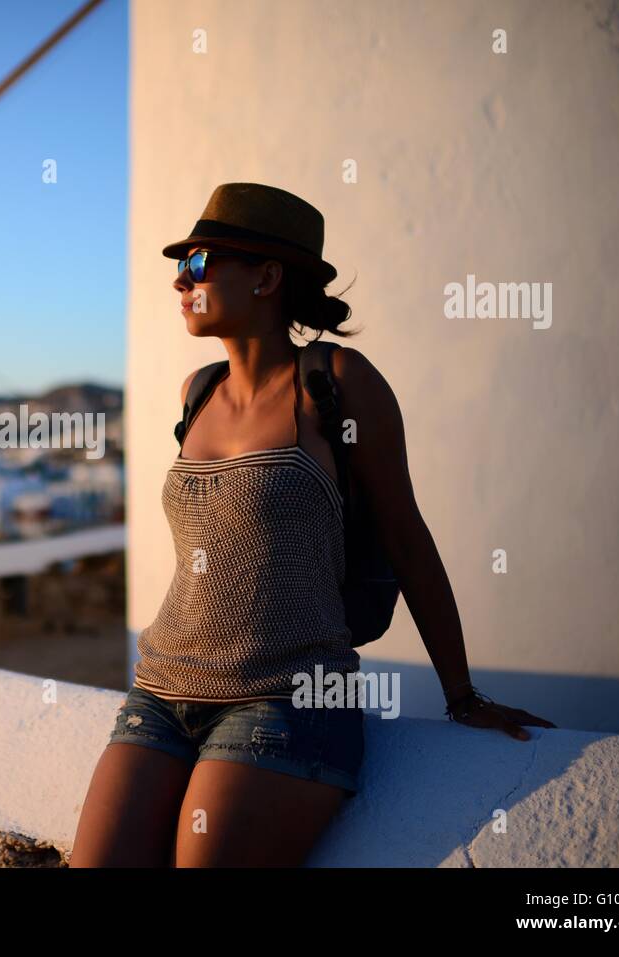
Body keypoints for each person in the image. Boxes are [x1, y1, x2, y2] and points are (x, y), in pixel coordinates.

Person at [70, 183, 554, 867]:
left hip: (285, 702)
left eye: (202, 262)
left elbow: (406, 537)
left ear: (267, 277)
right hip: (159, 692)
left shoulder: (337, 381)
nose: (182, 278)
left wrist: (462, 693)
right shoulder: (197, 391)